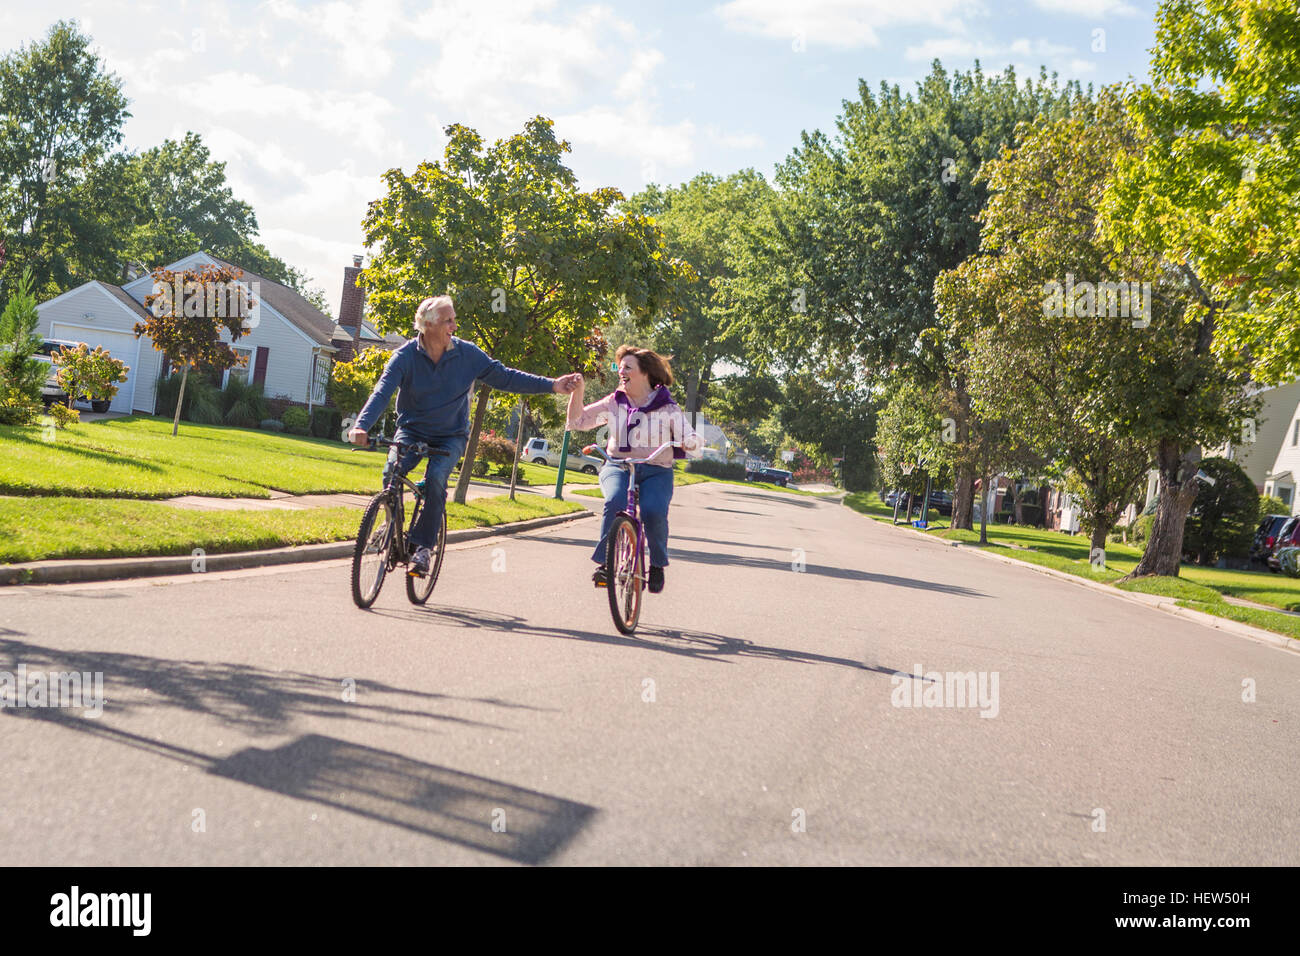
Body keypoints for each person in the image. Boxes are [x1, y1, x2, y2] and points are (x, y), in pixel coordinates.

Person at [349, 295, 582, 575]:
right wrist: (361, 425)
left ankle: (423, 548)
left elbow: (505, 376)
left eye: (454, 319)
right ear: (428, 325)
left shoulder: (467, 355)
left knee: (436, 479)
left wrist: (552, 385)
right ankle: (391, 522)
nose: (455, 326)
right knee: (391, 473)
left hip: (451, 435)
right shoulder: (405, 357)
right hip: (411, 430)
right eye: (449, 320)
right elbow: (382, 391)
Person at [566, 345, 701, 593]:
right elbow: (578, 421)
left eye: (628, 367)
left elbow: (689, 436)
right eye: (620, 367)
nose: (621, 372)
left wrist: (691, 442)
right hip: (618, 465)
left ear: (645, 373)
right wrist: (578, 391)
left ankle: (657, 564)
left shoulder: (667, 407)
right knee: (615, 501)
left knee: (652, 511)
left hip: (657, 470)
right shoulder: (614, 402)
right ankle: (607, 563)